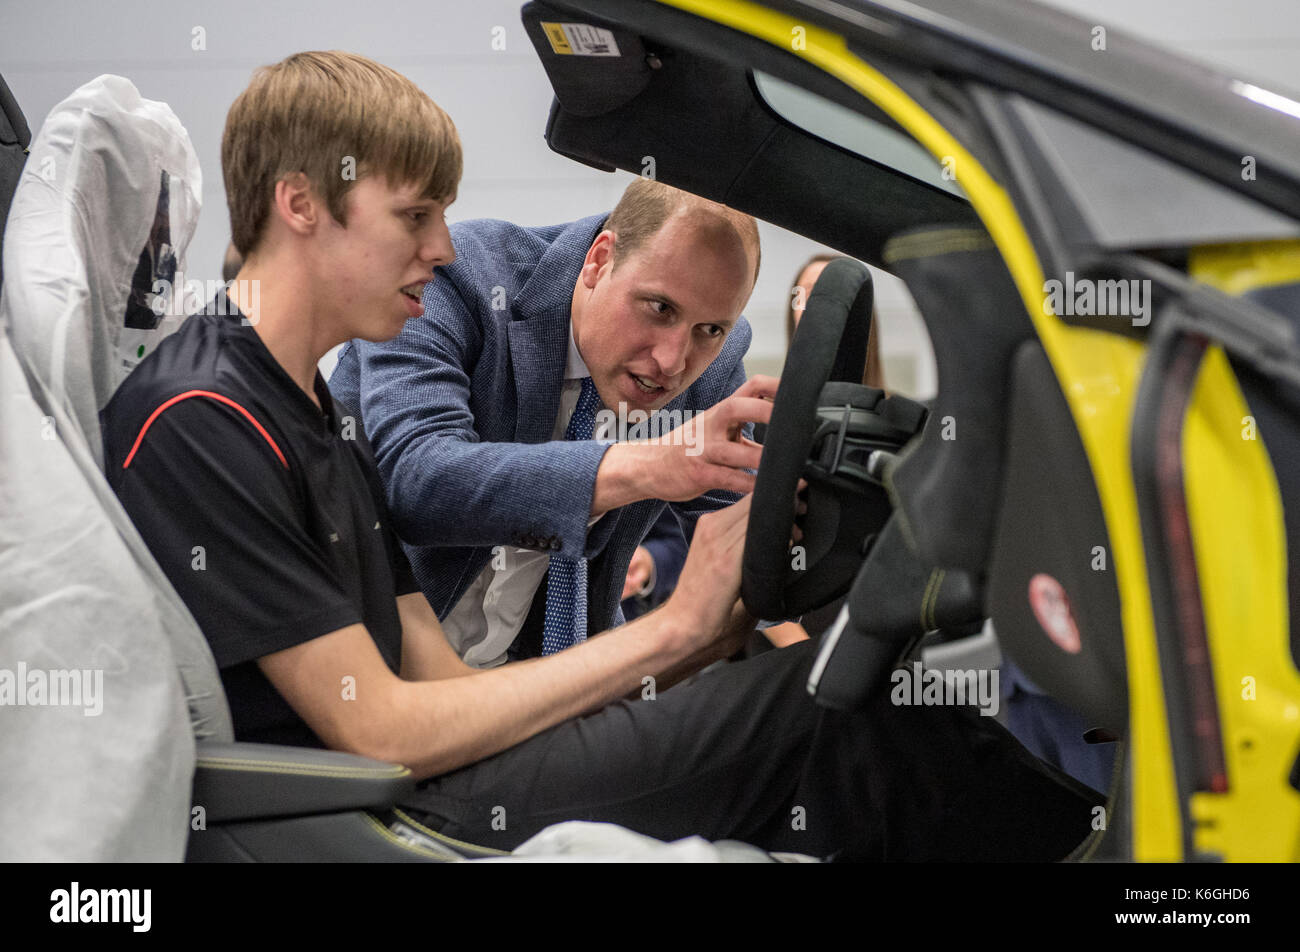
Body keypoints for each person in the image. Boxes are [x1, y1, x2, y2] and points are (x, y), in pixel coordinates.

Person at [103, 50, 1101, 861]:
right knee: (826, 715)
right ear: (299, 205)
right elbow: (383, 729)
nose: (443, 248)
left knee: (838, 699)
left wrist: (697, 632)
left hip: (429, 768)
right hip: (376, 812)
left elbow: (441, 679)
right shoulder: (202, 414)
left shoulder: (306, 403)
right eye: (415, 216)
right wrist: (672, 631)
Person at [329, 177, 779, 668]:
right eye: (659, 308)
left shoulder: (717, 362)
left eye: (710, 329)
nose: (673, 362)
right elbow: (418, 482)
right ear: (599, 260)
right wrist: (643, 466)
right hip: (369, 668)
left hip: (531, 680)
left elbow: (752, 541)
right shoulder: (460, 276)